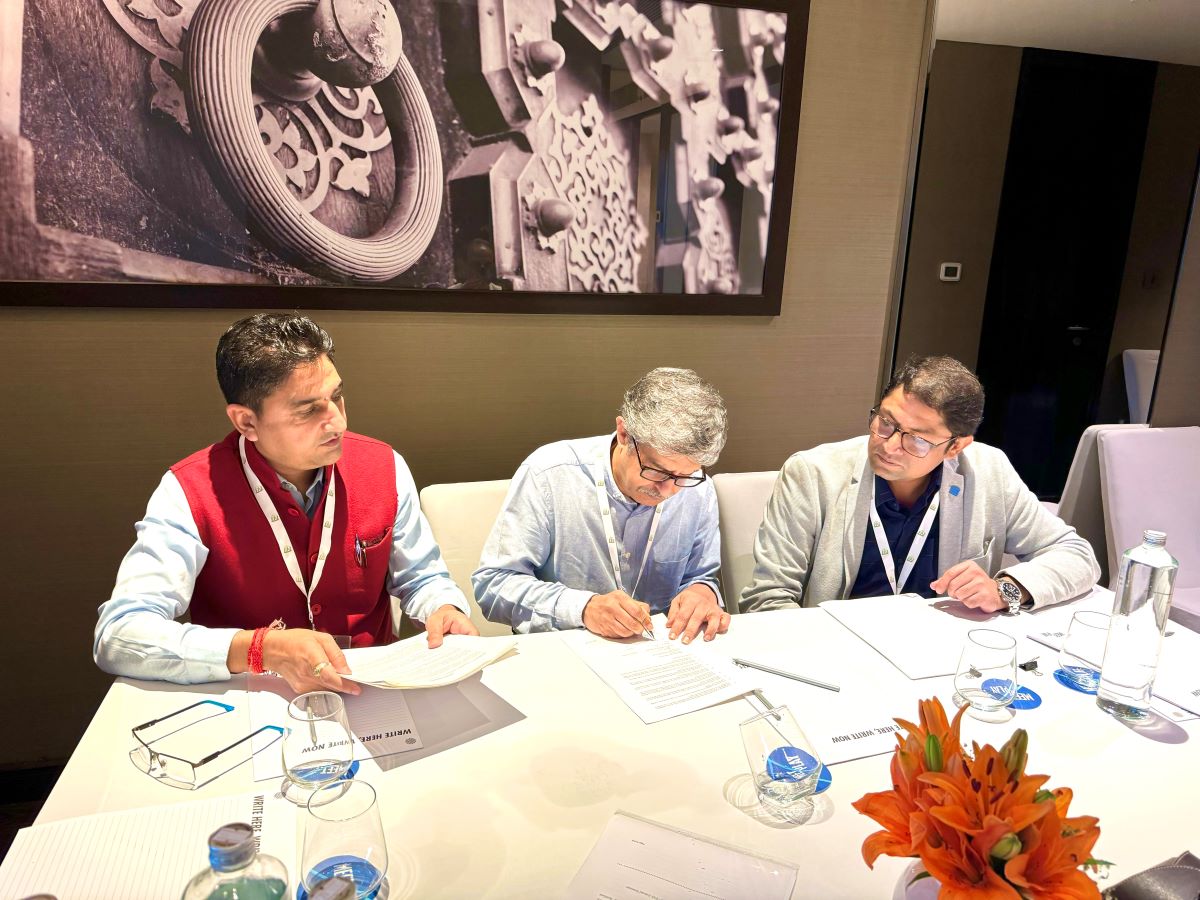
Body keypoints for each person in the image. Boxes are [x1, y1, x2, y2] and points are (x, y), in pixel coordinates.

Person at [94, 313, 477, 694]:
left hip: (372, 690)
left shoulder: (383, 466)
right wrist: (259, 648)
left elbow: (423, 578)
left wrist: (444, 608)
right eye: (309, 410)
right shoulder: (189, 490)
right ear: (246, 422)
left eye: (337, 397)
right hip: (252, 697)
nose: (338, 422)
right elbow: (119, 634)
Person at [740, 356, 1100, 614]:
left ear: (956, 446)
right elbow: (769, 600)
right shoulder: (814, 473)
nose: (889, 444)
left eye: (917, 440)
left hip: (941, 655)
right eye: (885, 421)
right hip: (837, 655)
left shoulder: (989, 471)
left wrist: (1006, 589)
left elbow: (1076, 554)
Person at [474, 367, 730, 642]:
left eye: (684, 476)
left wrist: (702, 593)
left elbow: (699, 577)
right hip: (567, 649)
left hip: (664, 652)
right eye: (657, 471)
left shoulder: (699, 489)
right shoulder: (550, 474)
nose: (668, 490)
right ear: (624, 434)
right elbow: (494, 585)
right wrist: (583, 609)